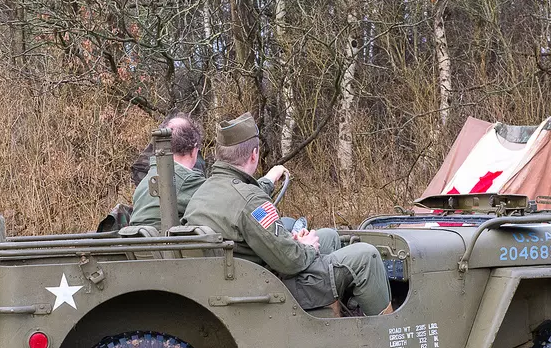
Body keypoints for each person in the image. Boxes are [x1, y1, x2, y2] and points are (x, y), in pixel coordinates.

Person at [183, 112, 393, 316]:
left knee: (328, 236)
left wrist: (296, 244)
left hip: (234, 282)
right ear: (254, 154)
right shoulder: (252, 201)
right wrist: (306, 248)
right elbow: (290, 261)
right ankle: (386, 338)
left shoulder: (203, 192)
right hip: (268, 291)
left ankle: (334, 316)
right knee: (367, 256)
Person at [129, 113, 283, 228]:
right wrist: (269, 179)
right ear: (194, 150)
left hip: (146, 255)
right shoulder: (184, 180)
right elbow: (236, 199)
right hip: (169, 259)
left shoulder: (148, 179)